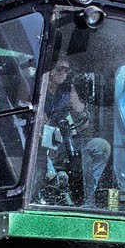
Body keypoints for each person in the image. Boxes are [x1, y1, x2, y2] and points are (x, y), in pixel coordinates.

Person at [44, 59, 110, 207]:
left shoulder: (67, 93)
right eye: (60, 69)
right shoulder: (37, 90)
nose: (64, 73)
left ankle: (89, 195)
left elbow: (83, 120)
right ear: (48, 71)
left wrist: (77, 103)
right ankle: (52, 179)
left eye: (67, 70)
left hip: (65, 143)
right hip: (40, 141)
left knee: (100, 145)